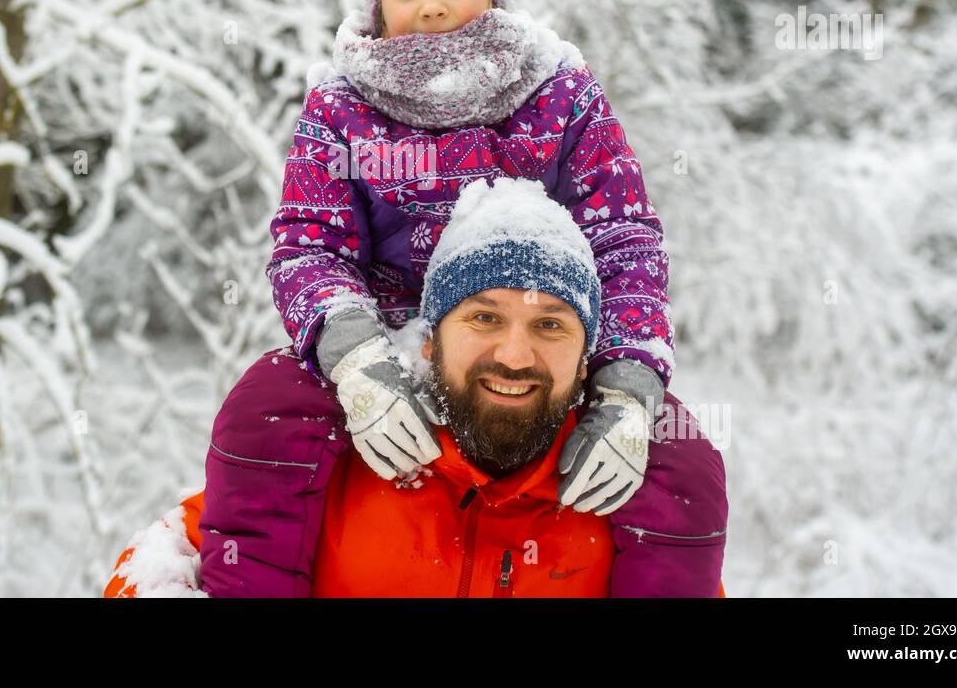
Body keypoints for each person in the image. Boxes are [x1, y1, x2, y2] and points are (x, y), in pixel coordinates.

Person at [105, 178, 727, 597]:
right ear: (429, 340)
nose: (515, 354)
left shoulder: (629, 510)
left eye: (549, 325)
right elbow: (159, 559)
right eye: (484, 318)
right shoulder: (323, 469)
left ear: (588, 356)